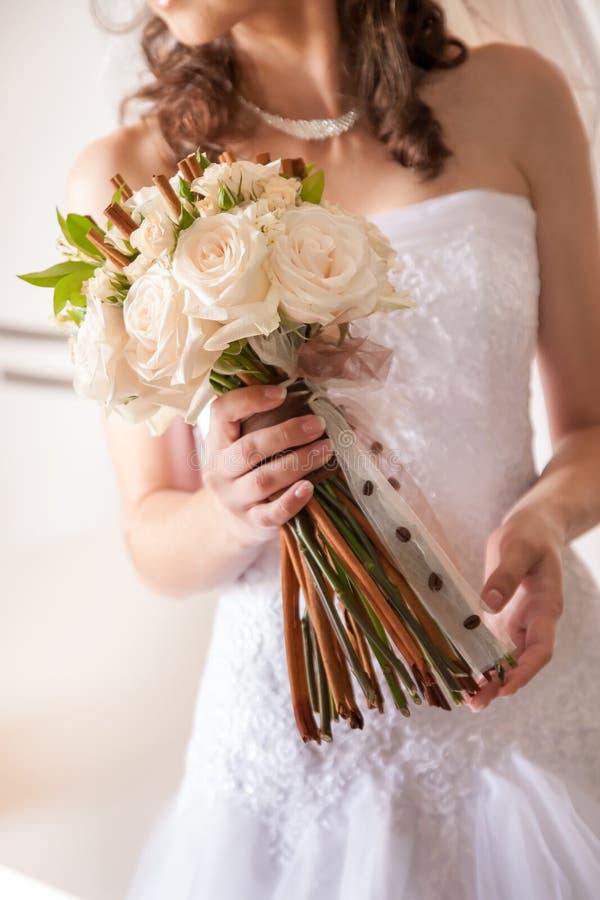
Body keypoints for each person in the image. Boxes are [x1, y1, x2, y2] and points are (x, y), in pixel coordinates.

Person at [66, 1, 600, 896]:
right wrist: (233, 508)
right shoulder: (130, 183)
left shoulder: (520, 99)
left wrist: (543, 521)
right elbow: (151, 535)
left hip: (529, 684)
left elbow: (592, 427)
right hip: (298, 744)